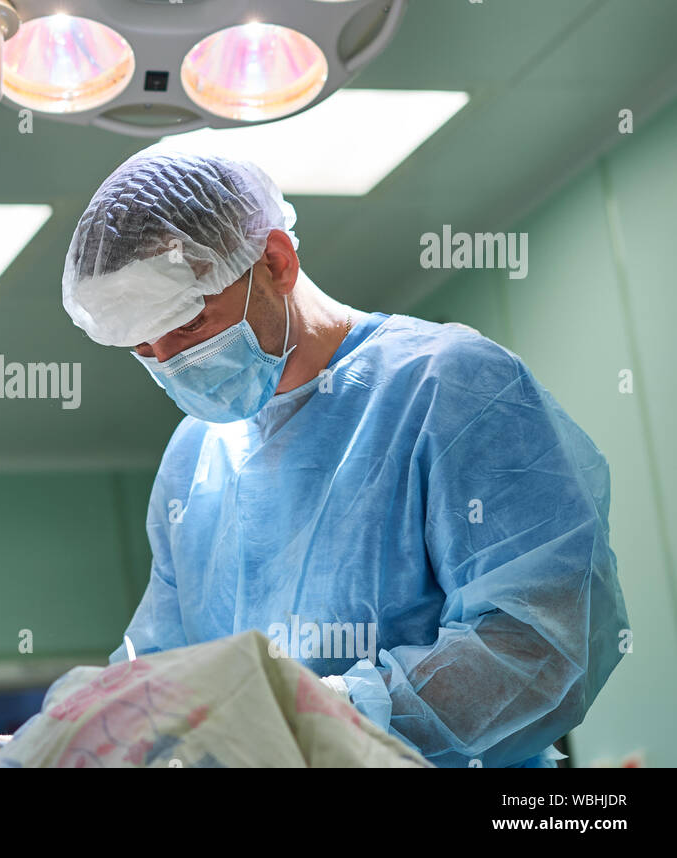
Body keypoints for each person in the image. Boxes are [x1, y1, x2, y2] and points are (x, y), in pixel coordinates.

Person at [60, 151, 629, 768]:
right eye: (143, 346)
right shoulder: (195, 456)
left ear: (275, 263)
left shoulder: (448, 387)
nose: (170, 361)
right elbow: (162, 676)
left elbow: (540, 646)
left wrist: (312, 727)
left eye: (190, 325)